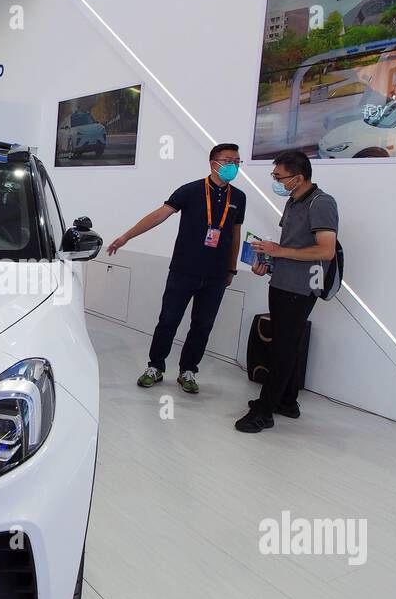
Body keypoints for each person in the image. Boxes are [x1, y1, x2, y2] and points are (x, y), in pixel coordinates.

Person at [108, 144, 246, 394]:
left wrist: (232, 268)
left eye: (237, 161)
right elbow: (160, 215)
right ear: (213, 163)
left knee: (203, 325)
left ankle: (188, 370)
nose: (233, 166)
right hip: (184, 270)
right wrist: (127, 236)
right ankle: (155, 366)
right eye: (228, 161)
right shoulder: (191, 190)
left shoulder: (238, 197)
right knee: (168, 320)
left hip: (216, 275)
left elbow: (235, 235)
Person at [236, 150, 338, 433]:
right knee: (284, 344)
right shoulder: (293, 202)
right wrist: (268, 262)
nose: (276, 181)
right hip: (281, 282)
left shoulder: (322, 203)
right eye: (274, 176)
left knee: (281, 349)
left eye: (279, 177)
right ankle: (287, 402)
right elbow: (292, 246)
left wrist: (278, 251)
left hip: (301, 288)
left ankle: (264, 411)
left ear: (299, 177)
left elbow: (326, 250)